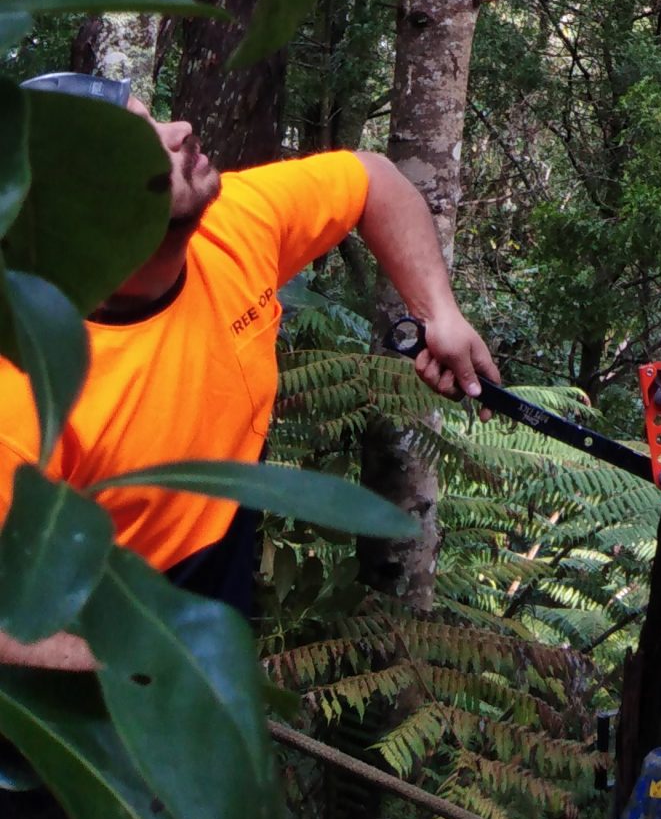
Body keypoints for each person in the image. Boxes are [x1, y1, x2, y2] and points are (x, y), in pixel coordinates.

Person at [0, 73, 499, 675]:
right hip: (82, 667)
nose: (180, 129)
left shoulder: (234, 225)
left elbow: (370, 178)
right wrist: (145, 666)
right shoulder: (25, 390)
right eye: (144, 139)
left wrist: (438, 313)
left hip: (215, 577)